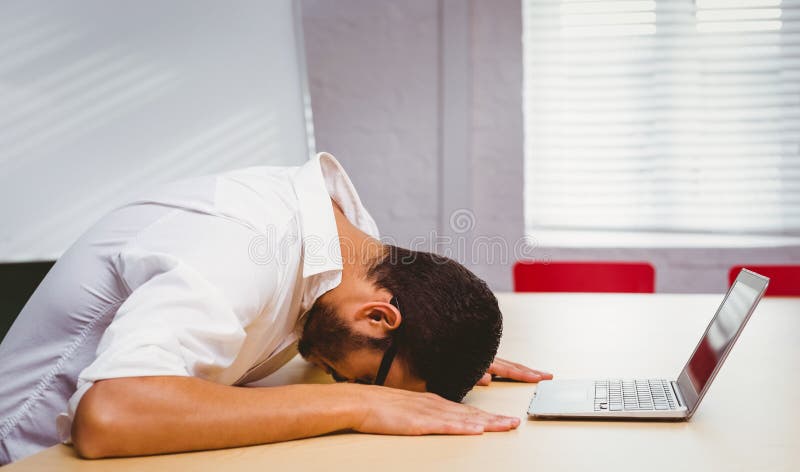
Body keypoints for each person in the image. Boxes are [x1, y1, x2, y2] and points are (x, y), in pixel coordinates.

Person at [0, 153, 552, 464]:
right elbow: (110, 415)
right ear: (379, 317)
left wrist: (449, 353)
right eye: (353, 378)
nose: (338, 379)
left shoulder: (349, 255)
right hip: (28, 457)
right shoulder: (242, 246)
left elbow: (342, 340)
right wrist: (359, 403)